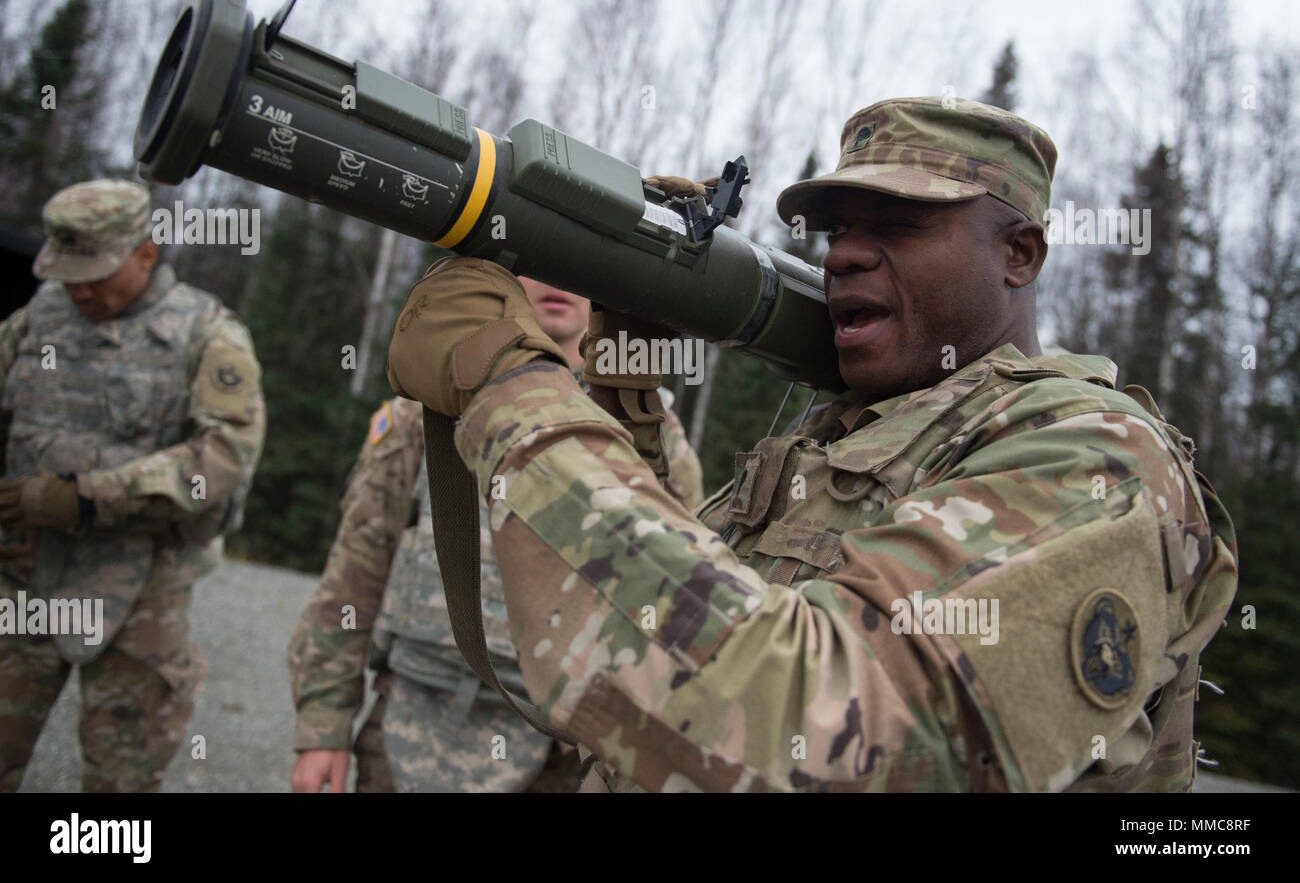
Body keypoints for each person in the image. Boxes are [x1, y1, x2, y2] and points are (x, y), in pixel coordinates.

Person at [385, 97, 1239, 792]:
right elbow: (676, 620)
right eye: (835, 228)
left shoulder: (1092, 456)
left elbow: (814, 730)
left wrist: (510, 387)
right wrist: (624, 389)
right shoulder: (848, 432)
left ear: (1019, 252)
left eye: (898, 225)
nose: (844, 256)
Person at [288, 277, 703, 792]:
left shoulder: (650, 433)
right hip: (413, 721)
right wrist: (323, 727)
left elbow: (677, 601)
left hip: (566, 753)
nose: (558, 280)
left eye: (579, 268)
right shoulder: (428, 408)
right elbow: (356, 569)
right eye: (539, 261)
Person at [0, 179, 265, 792]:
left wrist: (87, 495)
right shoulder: (36, 319)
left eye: (96, 271)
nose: (81, 289)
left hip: (143, 586)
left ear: (146, 252)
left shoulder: (207, 332)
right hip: (24, 574)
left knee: (123, 774)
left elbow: (225, 458)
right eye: (69, 272)